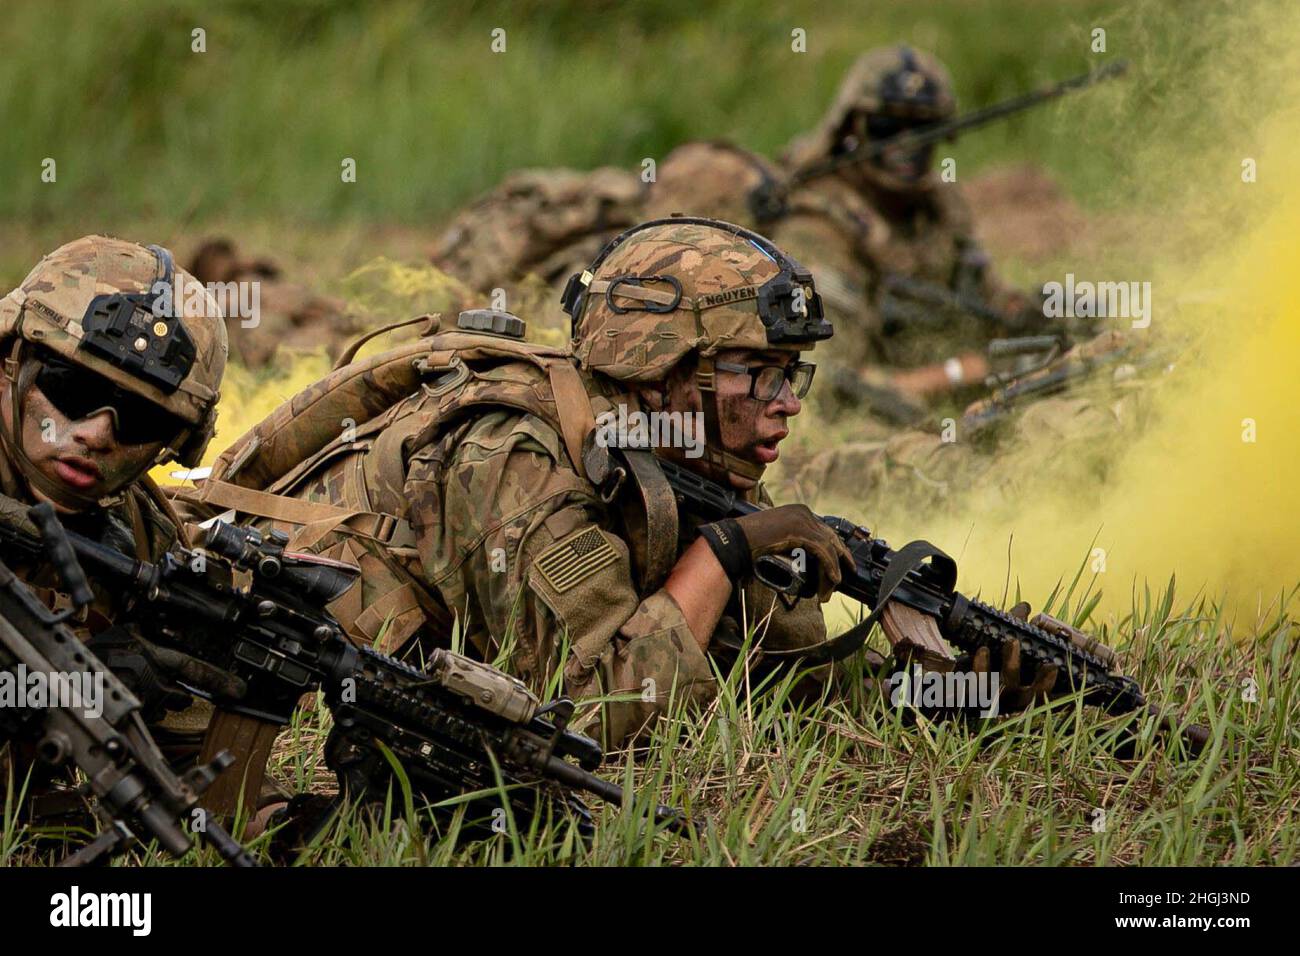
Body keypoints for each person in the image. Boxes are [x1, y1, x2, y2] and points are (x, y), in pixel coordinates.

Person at [0, 235, 231, 832]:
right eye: (75, 390)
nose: (97, 434)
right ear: (11, 359)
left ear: (174, 444)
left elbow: (186, 750)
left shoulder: (139, 539)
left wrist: (266, 812)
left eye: (143, 417)